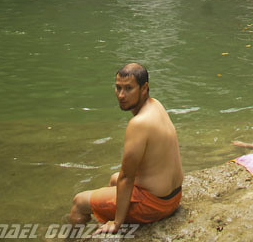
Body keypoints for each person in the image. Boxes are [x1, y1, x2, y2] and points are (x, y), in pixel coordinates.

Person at [70, 63, 183, 234]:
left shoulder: (139, 123)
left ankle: (71, 238)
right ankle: (103, 213)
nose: (121, 95)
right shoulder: (156, 106)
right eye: (118, 88)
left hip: (155, 205)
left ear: (144, 88)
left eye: (128, 89)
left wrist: (117, 222)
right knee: (113, 179)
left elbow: (127, 177)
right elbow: (122, 178)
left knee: (79, 202)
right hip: (174, 196)